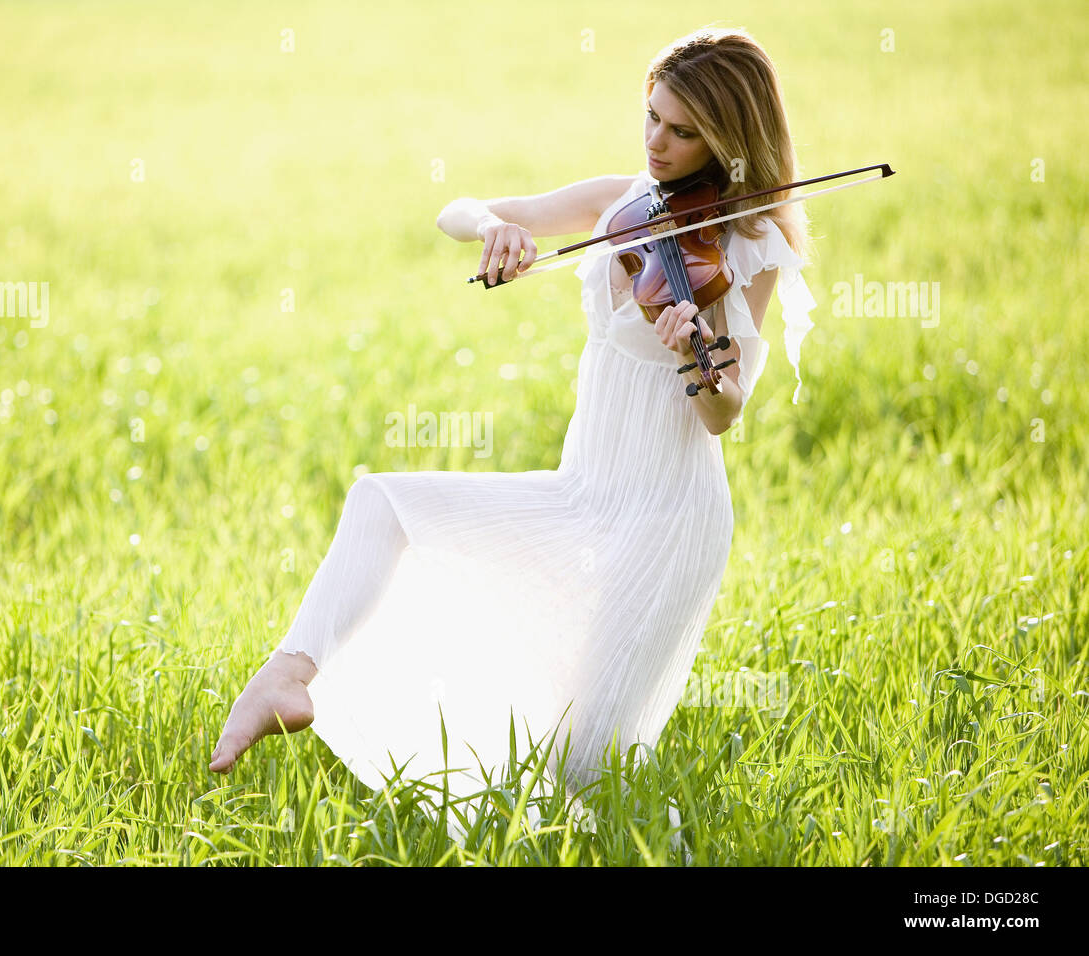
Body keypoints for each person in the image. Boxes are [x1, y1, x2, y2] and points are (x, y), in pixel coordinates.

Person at [209, 26, 817, 828]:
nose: (656, 143)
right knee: (383, 502)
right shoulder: (623, 202)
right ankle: (289, 673)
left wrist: (698, 356)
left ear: (732, 139)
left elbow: (724, 413)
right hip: (584, 493)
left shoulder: (749, 246)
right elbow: (457, 210)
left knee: (593, 781)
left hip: (668, 519)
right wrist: (494, 227)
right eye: (651, 117)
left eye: (682, 131)